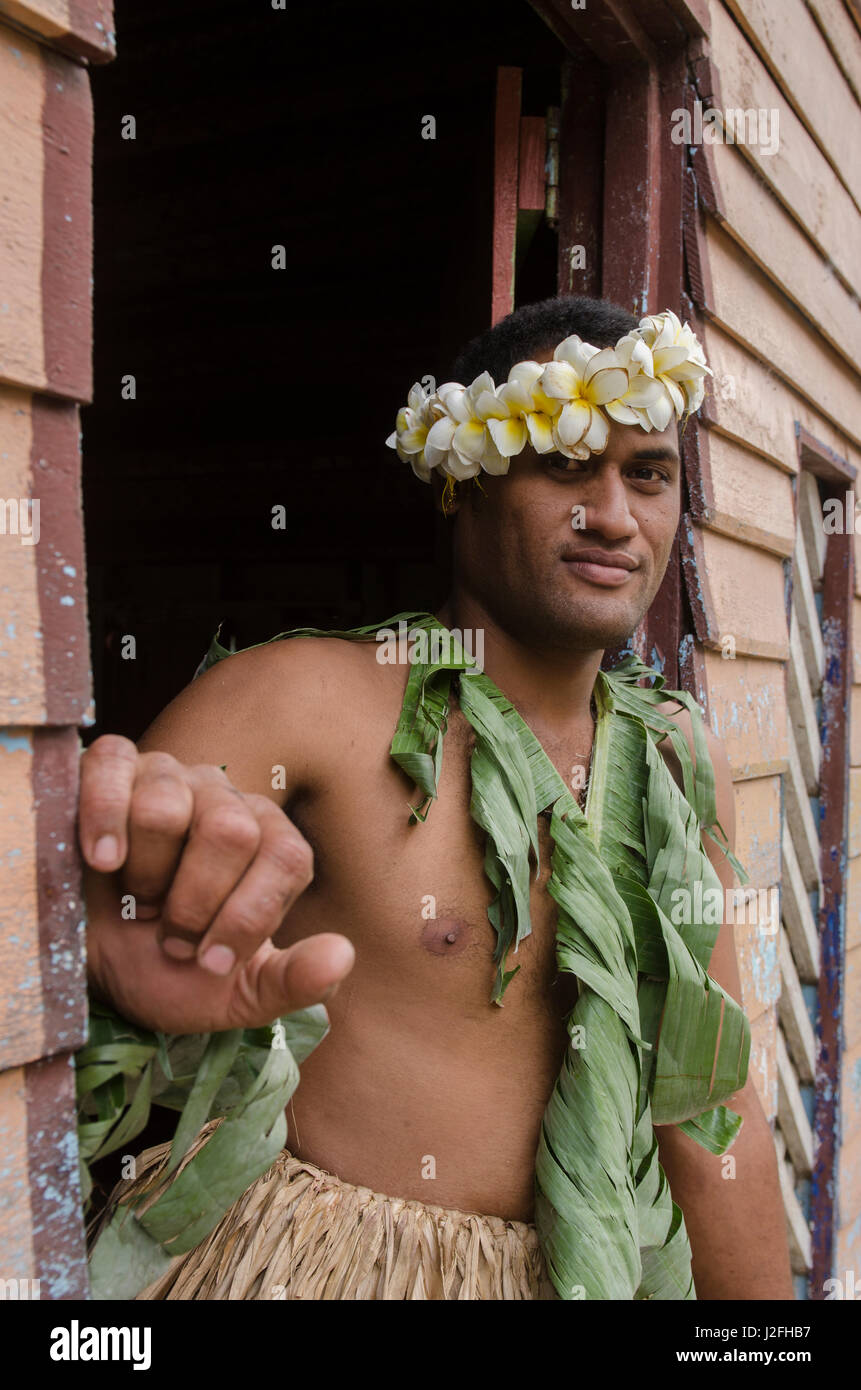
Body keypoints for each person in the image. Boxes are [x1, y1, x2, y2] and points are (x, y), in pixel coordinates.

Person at [79, 295, 793, 1300]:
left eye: (650, 474)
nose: (616, 515)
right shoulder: (305, 704)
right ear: (464, 482)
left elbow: (709, 1101)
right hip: (307, 1267)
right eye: (564, 463)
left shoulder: (679, 763)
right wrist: (103, 916)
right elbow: (103, 904)